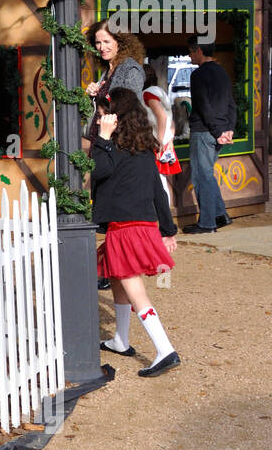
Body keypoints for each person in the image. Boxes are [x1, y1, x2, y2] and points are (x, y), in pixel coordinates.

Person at [91, 87, 181, 378]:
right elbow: (158, 192)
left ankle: (164, 349)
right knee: (118, 280)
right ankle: (120, 339)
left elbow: (98, 171)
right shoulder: (141, 148)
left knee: (135, 290)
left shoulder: (111, 146)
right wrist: (168, 230)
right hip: (138, 225)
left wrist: (102, 138)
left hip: (126, 229)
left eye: (102, 114)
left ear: (114, 117)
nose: (98, 119)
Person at [184, 34, 236, 233]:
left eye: (190, 52)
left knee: (201, 177)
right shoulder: (222, 72)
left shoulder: (198, 75)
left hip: (204, 131)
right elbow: (232, 105)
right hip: (219, 132)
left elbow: (204, 106)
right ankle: (220, 215)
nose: (190, 56)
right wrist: (228, 130)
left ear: (198, 50)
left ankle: (207, 223)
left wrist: (217, 131)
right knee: (207, 175)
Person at [83, 19, 145, 149]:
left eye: (106, 42)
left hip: (119, 145)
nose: (102, 47)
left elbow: (132, 112)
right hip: (101, 140)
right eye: (98, 43)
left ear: (120, 43)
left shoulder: (130, 69)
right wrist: (92, 95)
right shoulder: (107, 71)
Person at [142, 65, 182, 209]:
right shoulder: (161, 92)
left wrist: (158, 140)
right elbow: (170, 118)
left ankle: (162, 214)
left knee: (157, 180)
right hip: (166, 140)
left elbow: (162, 116)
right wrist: (169, 139)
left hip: (156, 140)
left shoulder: (147, 94)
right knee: (161, 179)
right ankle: (165, 213)